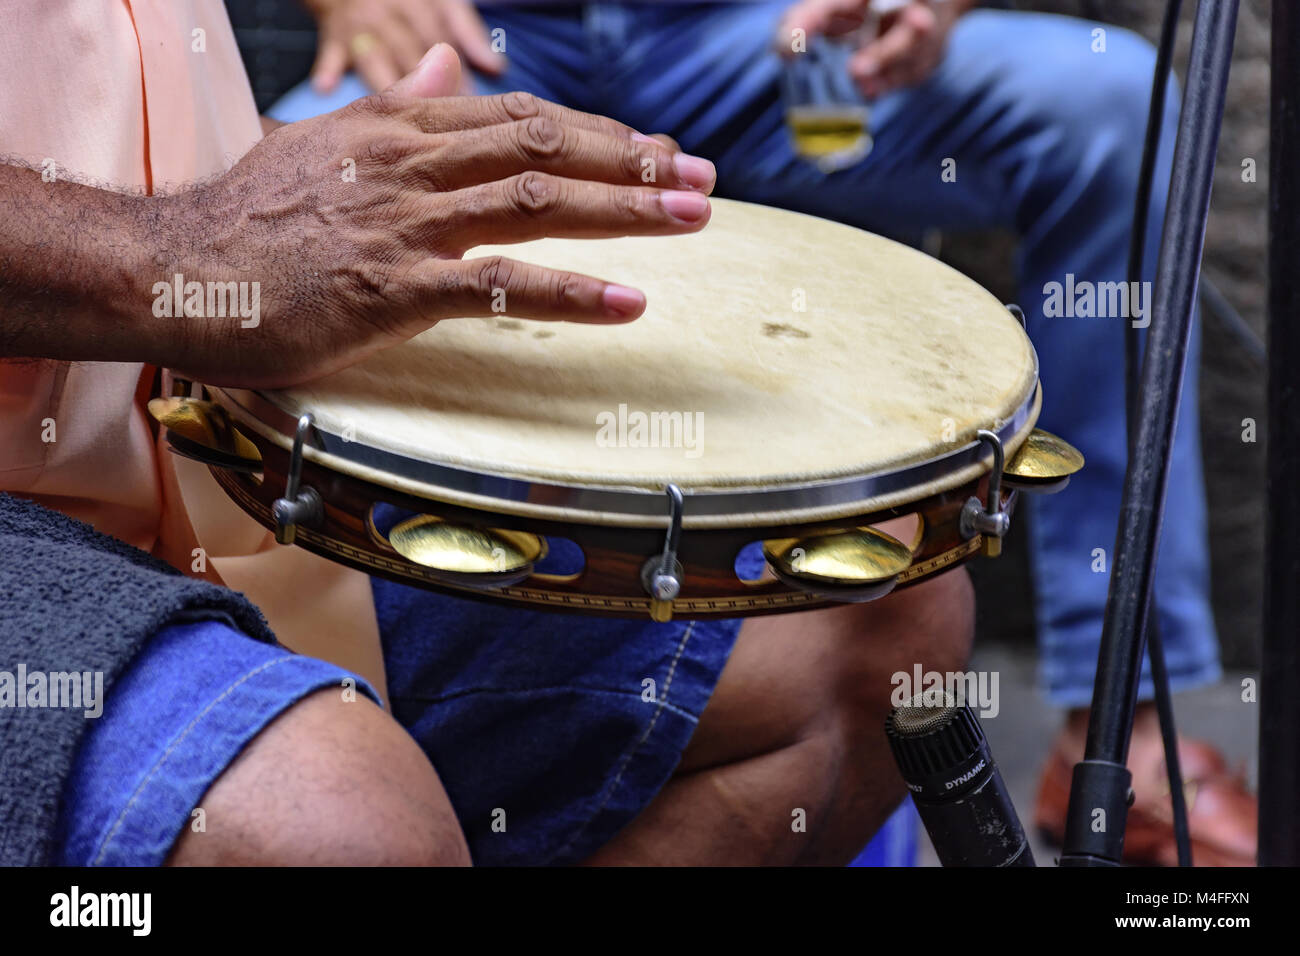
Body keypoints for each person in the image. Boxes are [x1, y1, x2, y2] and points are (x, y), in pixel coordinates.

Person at [271, 0, 1256, 865]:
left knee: (1113, 105)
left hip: (767, 36)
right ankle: (294, 720)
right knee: (277, 202)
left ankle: (1116, 734)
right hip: (487, 38)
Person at [0, 1, 969, 865]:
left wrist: (320, 180)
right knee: (333, 827)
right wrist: (178, 252)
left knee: (860, 607)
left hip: (192, 419)